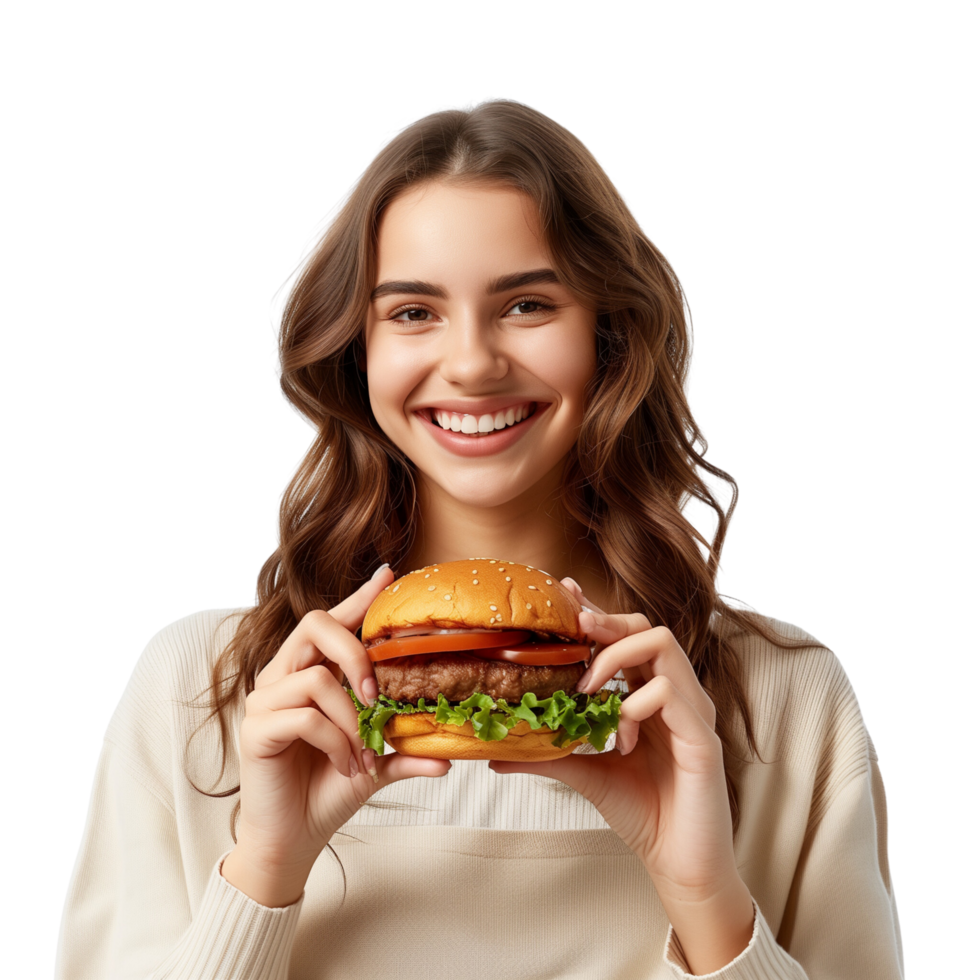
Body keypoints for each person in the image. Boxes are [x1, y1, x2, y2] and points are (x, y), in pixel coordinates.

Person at [55, 97, 905, 979]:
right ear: (358, 351)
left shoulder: (788, 701)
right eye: (413, 313)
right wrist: (264, 874)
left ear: (608, 337)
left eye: (528, 304)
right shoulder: (198, 690)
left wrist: (706, 899)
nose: (470, 364)